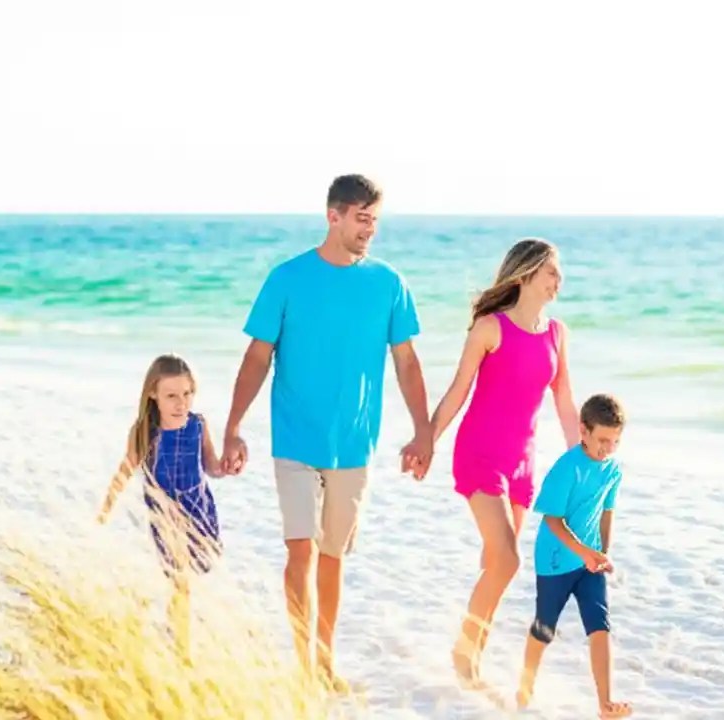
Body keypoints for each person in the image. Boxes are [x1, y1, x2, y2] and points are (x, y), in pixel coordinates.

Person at [220, 174, 432, 691]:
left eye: (374, 221)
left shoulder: (388, 283)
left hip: (354, 445)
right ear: (332, 216)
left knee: (333, 556)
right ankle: (300, 663)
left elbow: (407, 363)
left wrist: (422, 431)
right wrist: (233, 426)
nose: (369, 231)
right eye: (361, 219)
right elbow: (257, 356)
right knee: (301, 549)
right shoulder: (287, 278)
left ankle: (324, 662)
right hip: (295, 439)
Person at [423, 237, 581, 686]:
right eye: (552, 271)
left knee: (498, 563)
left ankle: (471, 656)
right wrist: (428, 440)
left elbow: (565, 400)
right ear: (528, 273)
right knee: (507, 559)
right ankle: (463, 656)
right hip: (480, 453)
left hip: (522, 463)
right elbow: (458, 390)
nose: (559, 280)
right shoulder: (489, 328)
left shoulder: (557, 333)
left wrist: (579, 462)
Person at [98, 354, 225, 652]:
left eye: (187, 394)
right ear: (153, 394)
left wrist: (227, 466)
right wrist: (105, 510)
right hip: (166, 515)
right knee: (180, 582)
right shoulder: (145, 431)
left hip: (198, 508)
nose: (181, 403)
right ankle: (181, 645)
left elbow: (212, 466)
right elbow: (125, 471)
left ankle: (173, 631)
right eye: (171, 396)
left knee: (193, 575)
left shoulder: (198, 425)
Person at [517, 394, 632, 718]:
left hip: (589, 560)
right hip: (556, 558)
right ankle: (523, 690)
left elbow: (607, 512)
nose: (608, 448)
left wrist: (602, 553)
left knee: (600, 625)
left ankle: (605, 704)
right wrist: (584, 552)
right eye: (602, 440)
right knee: (545, 627)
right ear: (583, 431)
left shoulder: (613, 469)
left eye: (615, 441)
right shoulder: (568, 468)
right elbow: (552, 519)